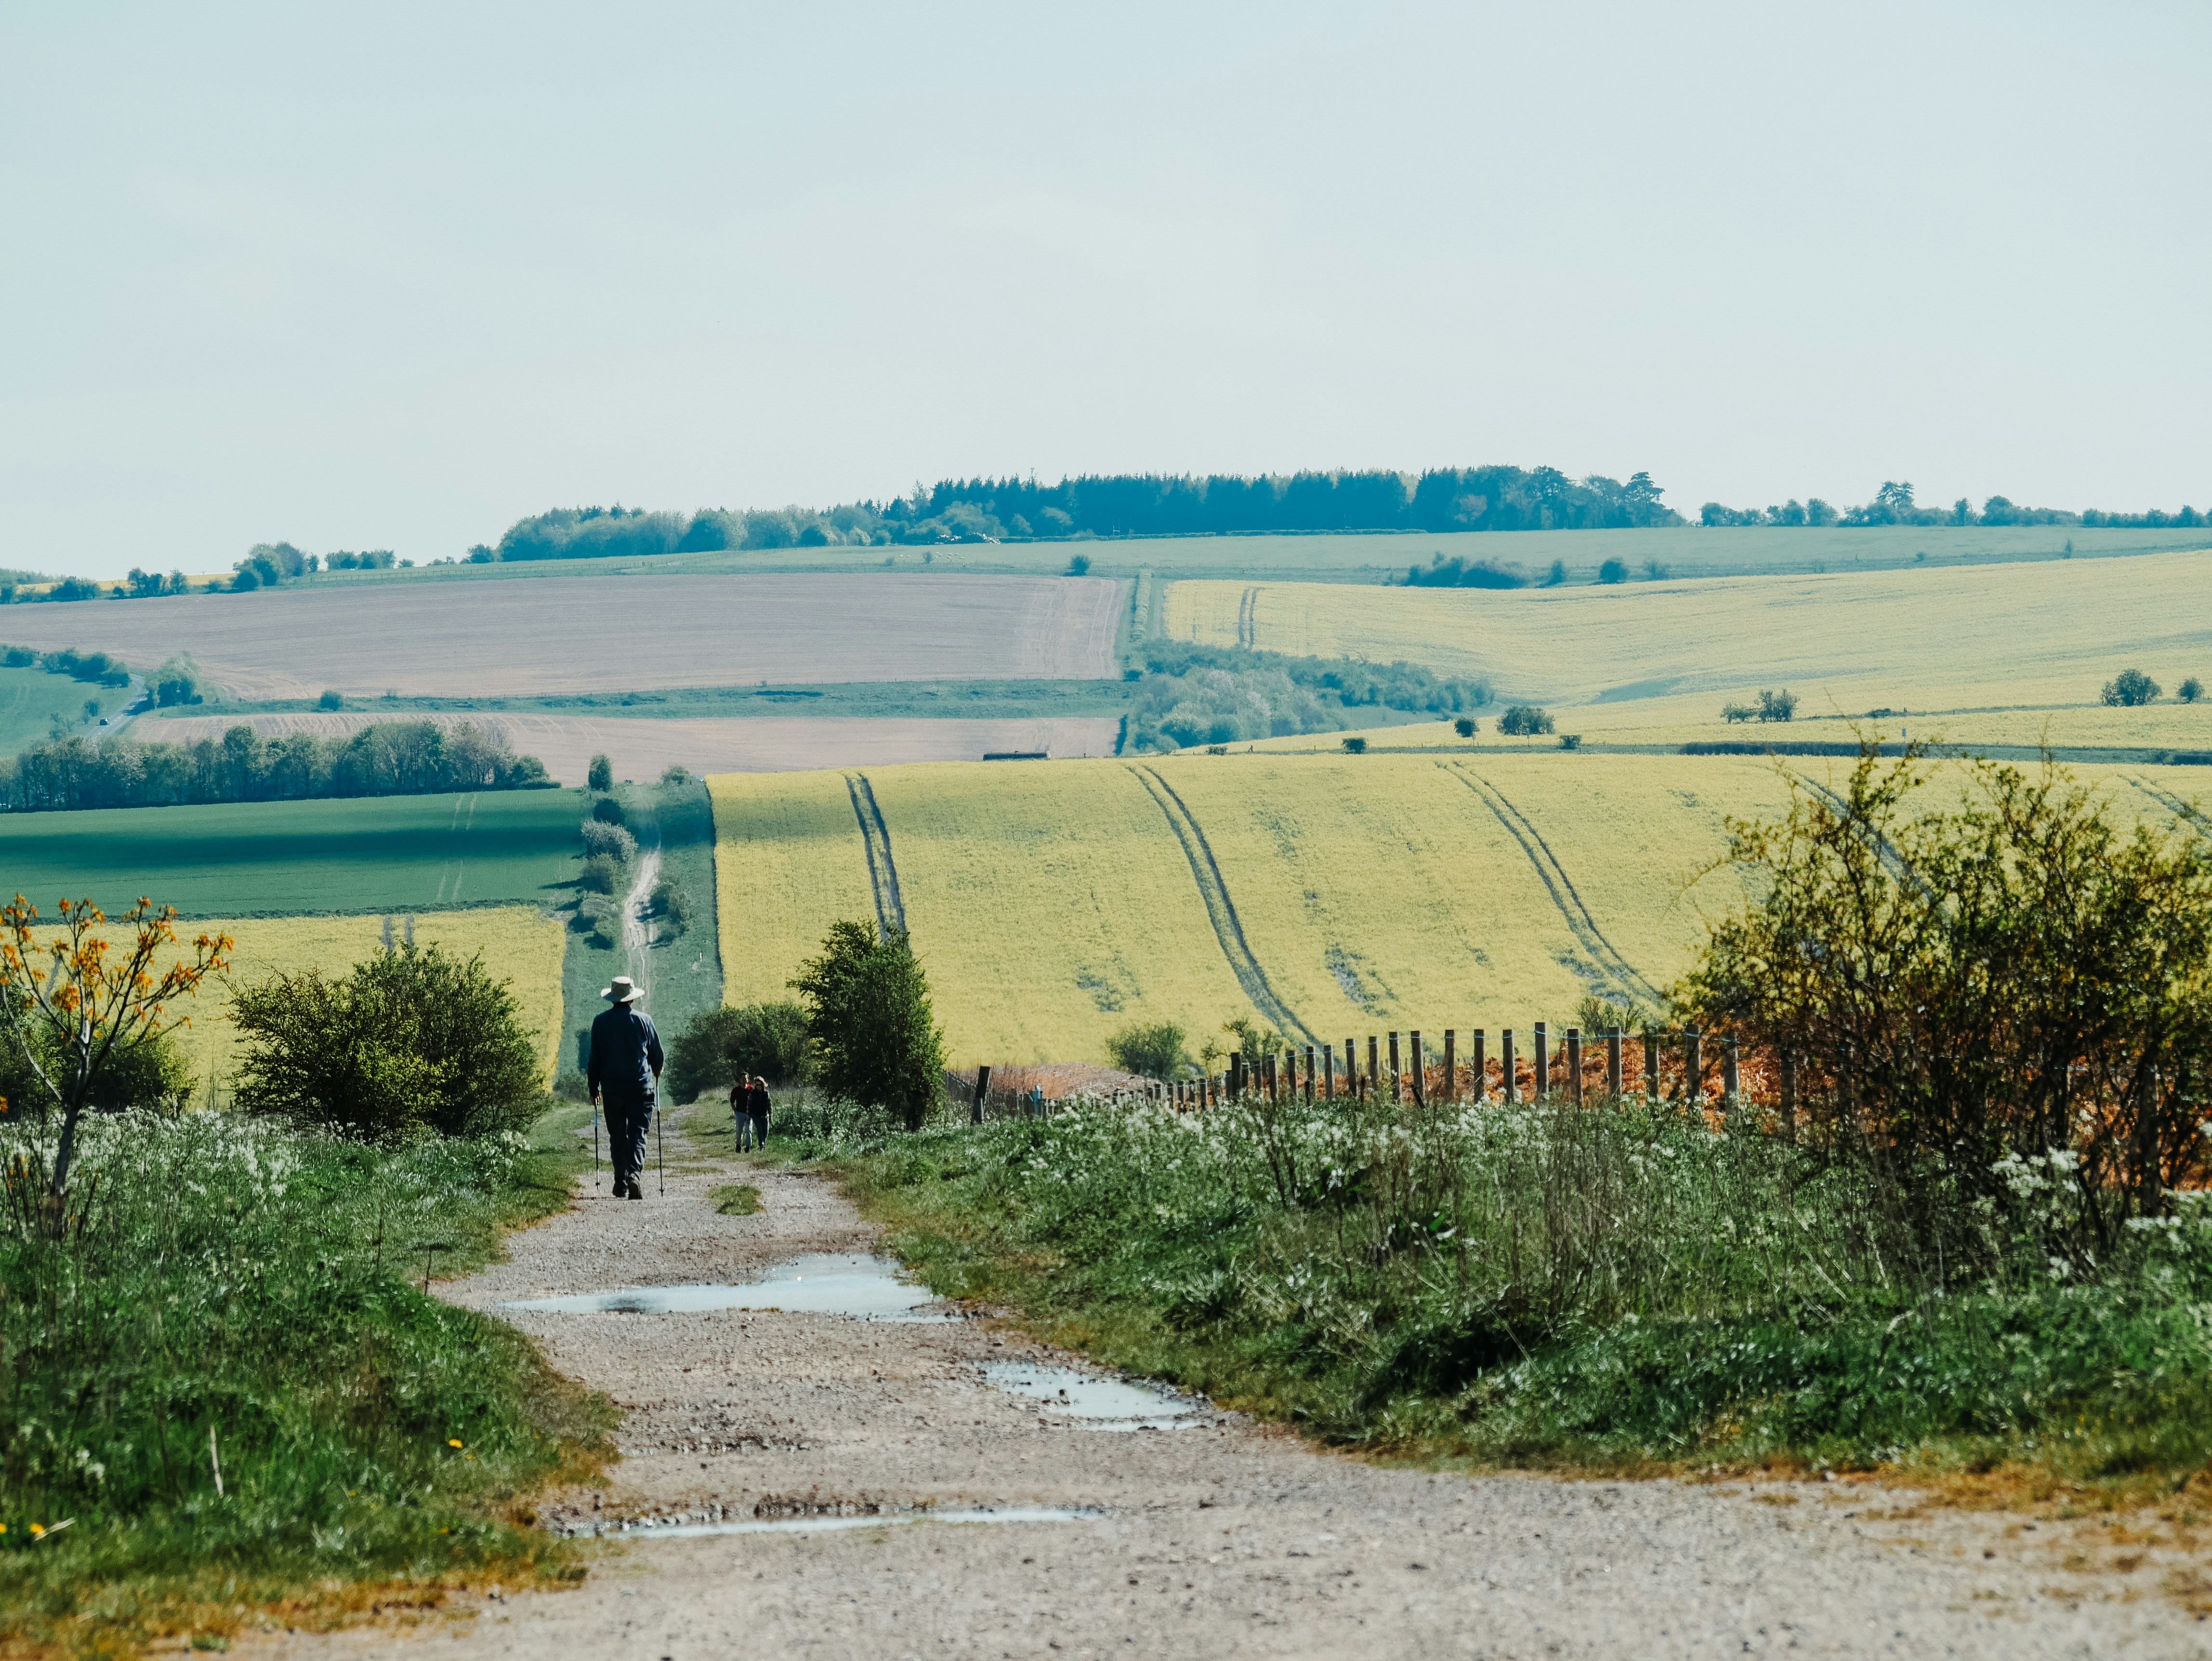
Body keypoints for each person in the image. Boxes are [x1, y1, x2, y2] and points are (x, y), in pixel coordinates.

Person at [587, 976, 663, 1200]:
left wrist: (594, 1090)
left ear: (612, 998)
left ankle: (620, 1182)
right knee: (638, 1133)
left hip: (612, 1089)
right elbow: (657, 1055)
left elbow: (595, 1061)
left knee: (617, 1135)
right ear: (632, 998)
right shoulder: (645, 1021)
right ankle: (634, 1176)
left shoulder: (600, 1023)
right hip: (641, 1087)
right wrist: (656, 1072)